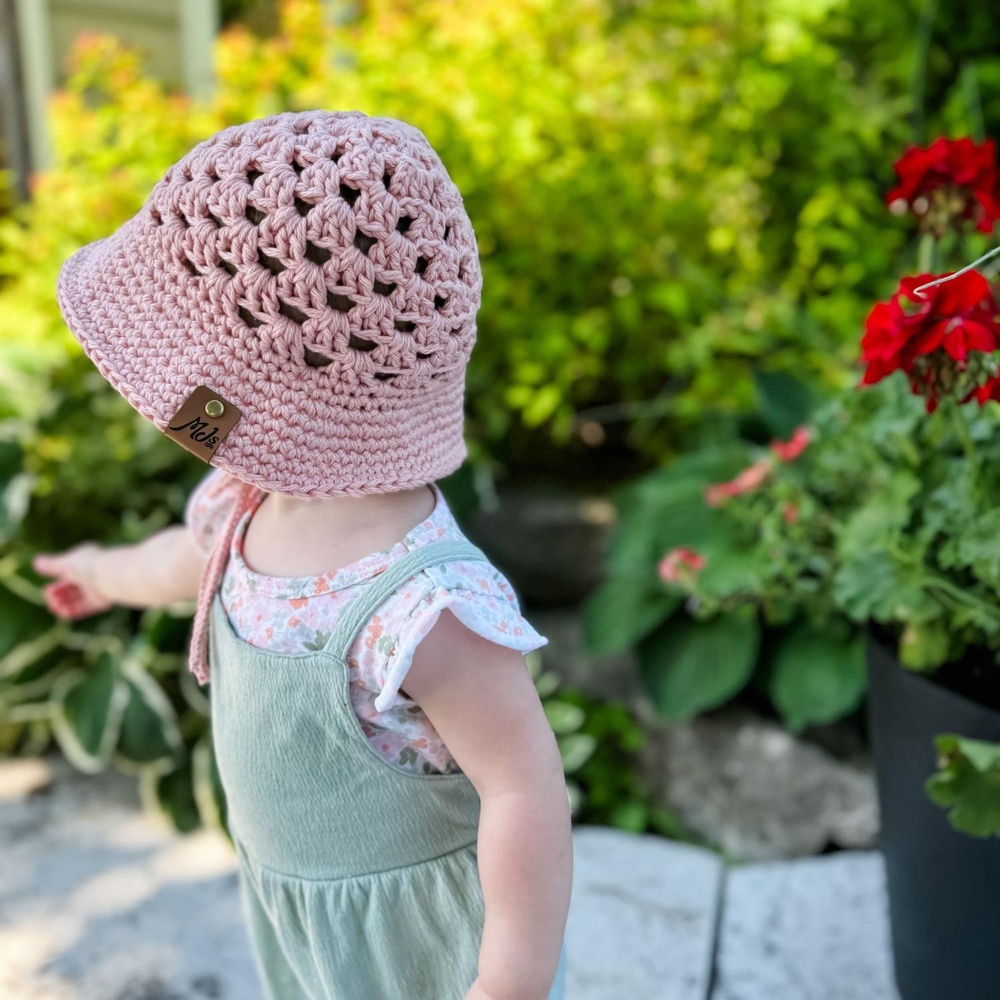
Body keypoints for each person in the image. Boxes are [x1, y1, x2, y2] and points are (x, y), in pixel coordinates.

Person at [32, 110, 572, 1000]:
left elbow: (524, 786)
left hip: (418, 949)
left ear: (262, 389)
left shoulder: (424, 605)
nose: (175, 413)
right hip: (298, 915)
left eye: (191, 383)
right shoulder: (247, 498)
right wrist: (99, 572)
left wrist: (508, 981)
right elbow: (183, 563)